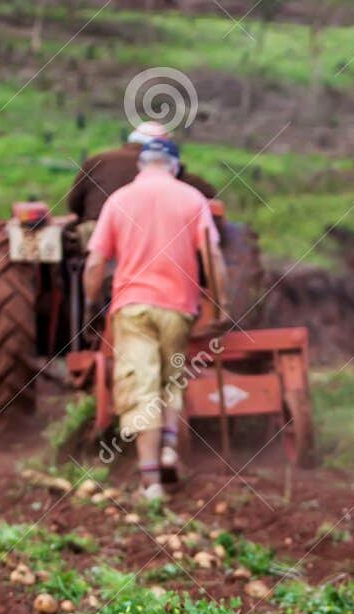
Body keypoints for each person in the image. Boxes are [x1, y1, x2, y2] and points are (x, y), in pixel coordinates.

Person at [83, 137, 227, 503]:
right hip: (179, 306)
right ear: (175, 166)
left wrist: (90, 302)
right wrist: (220, 304)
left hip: (132, 306)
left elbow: (96, 262)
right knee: (170, 380)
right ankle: (168, 448)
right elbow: (212, 253)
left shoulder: (119, 200)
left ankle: (151, 485)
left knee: (142, 387)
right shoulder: (193, 199)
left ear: (141, 166)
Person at [66, 121, 218, 225]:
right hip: (142, 237)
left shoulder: (97, 159)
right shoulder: (164, 166)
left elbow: (73, 203)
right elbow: (209, 193)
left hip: (91, 235)